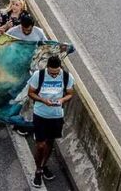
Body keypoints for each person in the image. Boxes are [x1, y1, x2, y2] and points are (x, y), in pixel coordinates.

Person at [29, 55, 75, 187]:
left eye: (56, 73)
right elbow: (31, 92)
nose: (54, 75)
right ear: (47, 68)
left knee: (50, 142)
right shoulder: (39, 75)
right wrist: (43, 100)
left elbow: (70, 93)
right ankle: (38, 170)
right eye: (51, 73)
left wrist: (62, 100)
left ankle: (43, 166)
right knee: (40, 145)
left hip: (56, 116)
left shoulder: (66, 77)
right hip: (40, 114)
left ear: (60, 68)